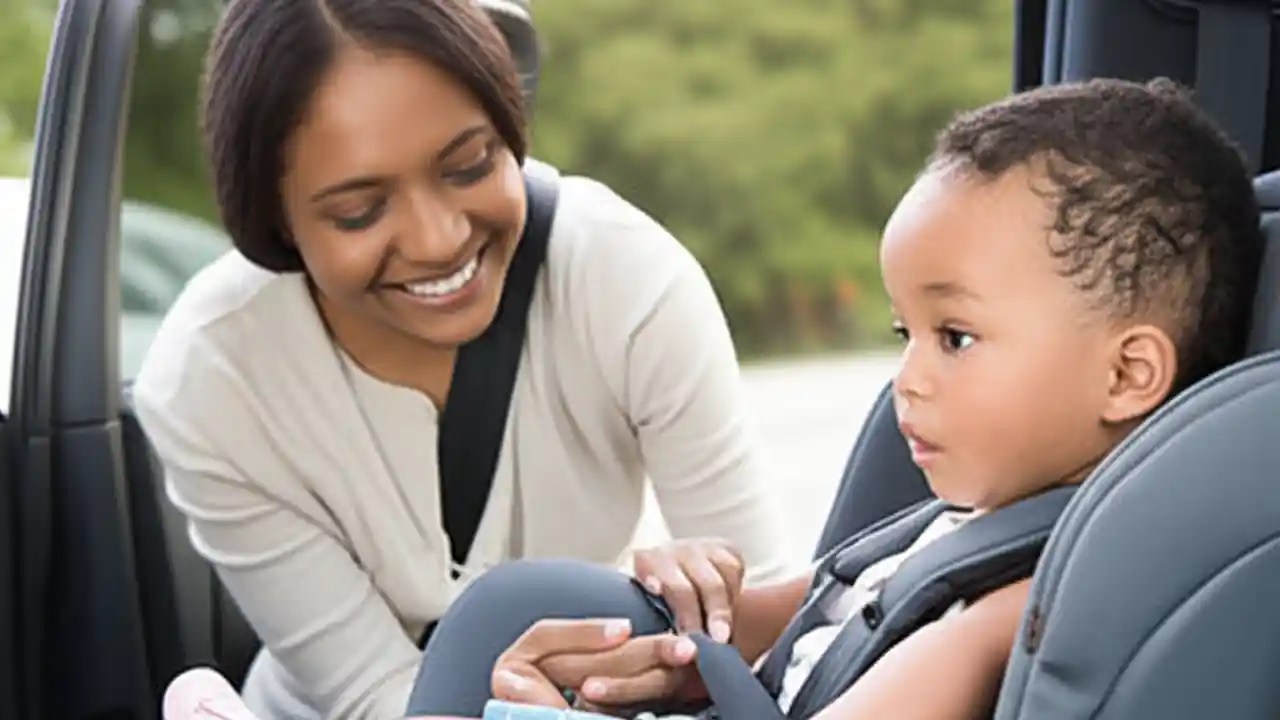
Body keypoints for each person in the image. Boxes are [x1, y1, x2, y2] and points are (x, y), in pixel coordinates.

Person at [393, 78, 1265, 719]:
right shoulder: (957, 525)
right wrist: (696, 615)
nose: (907, 379)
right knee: (511, 613)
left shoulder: (1022, 603)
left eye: (955, 338)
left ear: (1126, 375)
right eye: (904, 333)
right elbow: (805, 609)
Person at [132, 0, 792, 718]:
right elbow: (369, 690)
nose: (438, 239)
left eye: (470, 166)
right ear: (276, 218)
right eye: (359, 212)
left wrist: (697, 622)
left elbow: (772, 634)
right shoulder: (209, 380)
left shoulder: (625, 279)